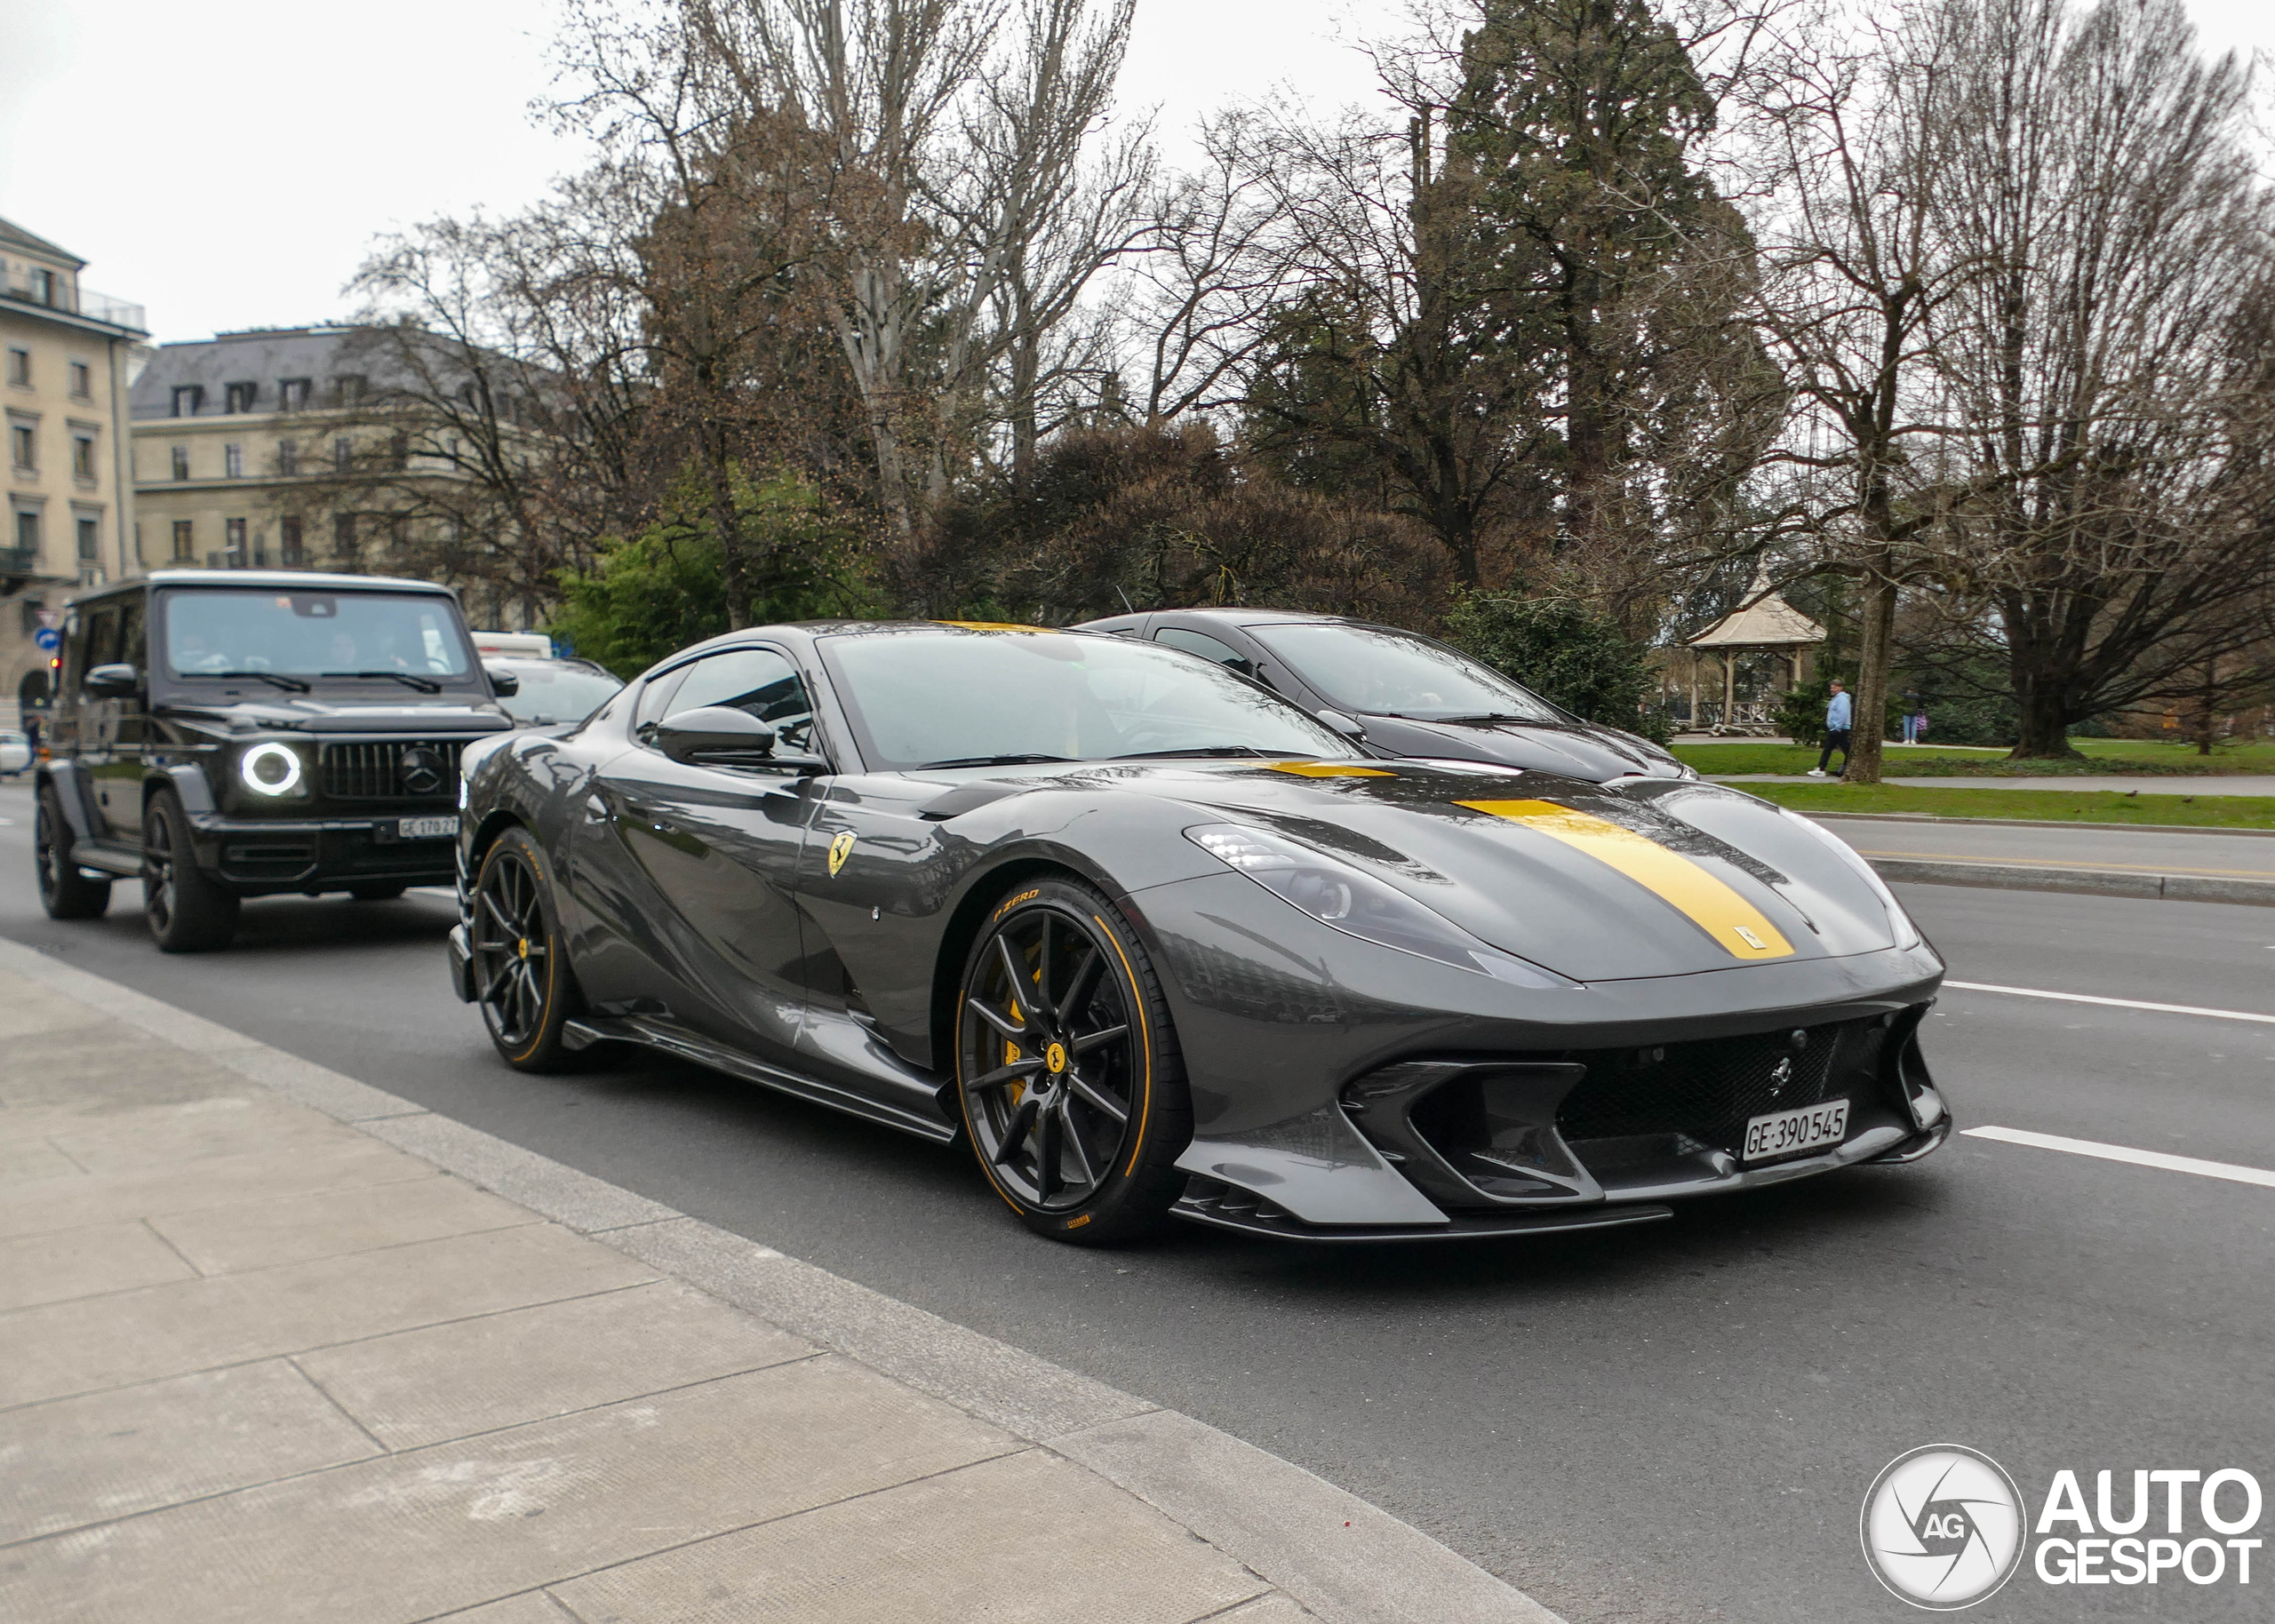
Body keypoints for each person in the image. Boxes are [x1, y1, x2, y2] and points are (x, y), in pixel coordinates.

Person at [1808, 679, 1852, 777]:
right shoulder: (1836, 699)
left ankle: (1843, 769)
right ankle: (1822, 769)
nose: (1832, 689)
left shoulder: (1842, 699)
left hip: (1840, 729)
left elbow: (1842, 714)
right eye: (1831, 687)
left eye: (1835, 687)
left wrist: (1838, 727)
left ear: (1841, 688)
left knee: (1848, 750)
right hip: (1834, 729)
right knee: (1828, 749)